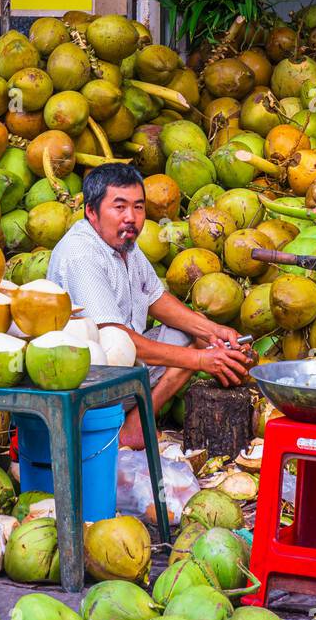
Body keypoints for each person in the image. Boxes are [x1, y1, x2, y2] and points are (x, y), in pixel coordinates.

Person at [48, 162, 251, 448]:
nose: (131, 217)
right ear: (91, 212)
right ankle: (126, 427)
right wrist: (202, 360)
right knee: (195, 349)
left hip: (124, 369)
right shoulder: (82, 255)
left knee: (195, 336)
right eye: (119, 207)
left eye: (138, 207)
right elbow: (119, 340)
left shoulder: (124, 244)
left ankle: (135, 425)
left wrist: (212, 331)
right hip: (88, 380)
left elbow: (155, 297)